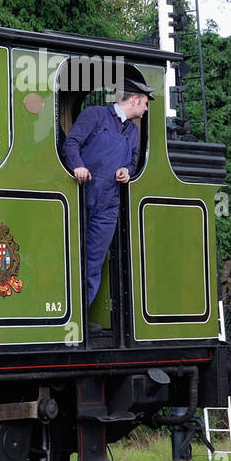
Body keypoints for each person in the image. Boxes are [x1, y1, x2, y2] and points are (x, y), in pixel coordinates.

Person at [60, 78, 154, 330]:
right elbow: (71, 143)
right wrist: (77, 165)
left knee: (94, 259)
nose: (146, 110)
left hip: (109, 201)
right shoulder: (94, 114)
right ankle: (63, 316)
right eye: (145, 104)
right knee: (69, 254)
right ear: (135, 99)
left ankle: (81, 316)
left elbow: (133, 163)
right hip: (81, 192)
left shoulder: (133, 132)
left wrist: (126, 170)